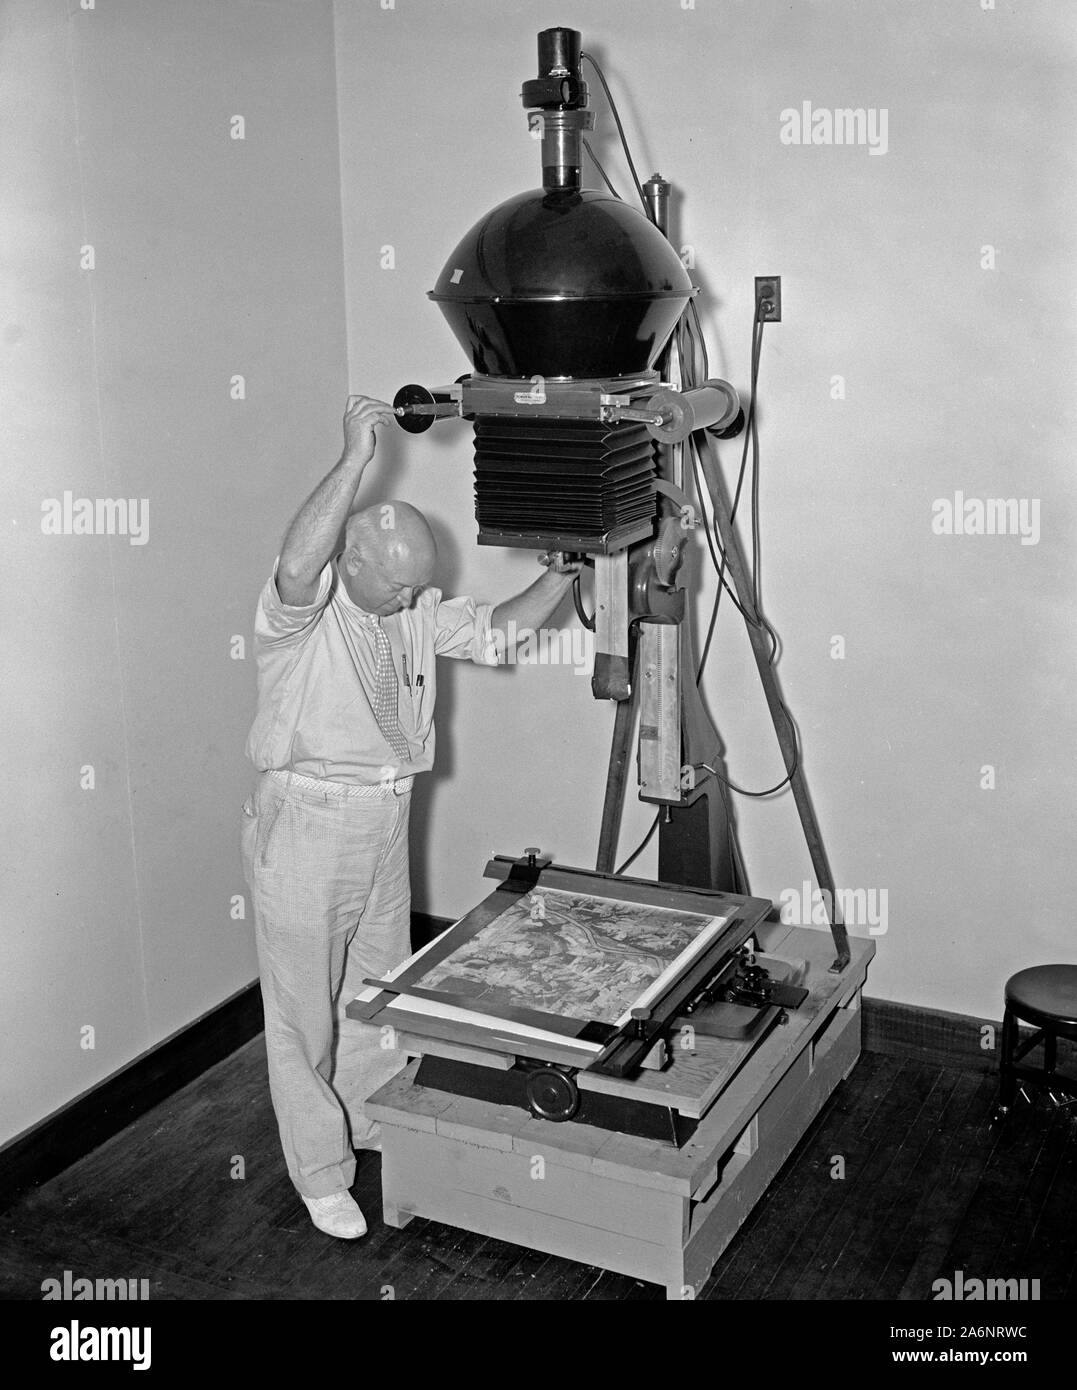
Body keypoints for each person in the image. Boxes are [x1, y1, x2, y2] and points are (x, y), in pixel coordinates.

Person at [241, 394, 581, 1238]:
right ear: (351, 559)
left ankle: (365, 1125)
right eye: (394, 584)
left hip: (384, 817)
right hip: (309, 820)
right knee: (301, 1015)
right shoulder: (301, 618)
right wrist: (355, 460)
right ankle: (320, 1172)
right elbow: (293, 561)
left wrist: (564, 574)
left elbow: (500, 633)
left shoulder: (412, 610)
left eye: (416, 587)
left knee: (372, 992)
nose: (408, 600)